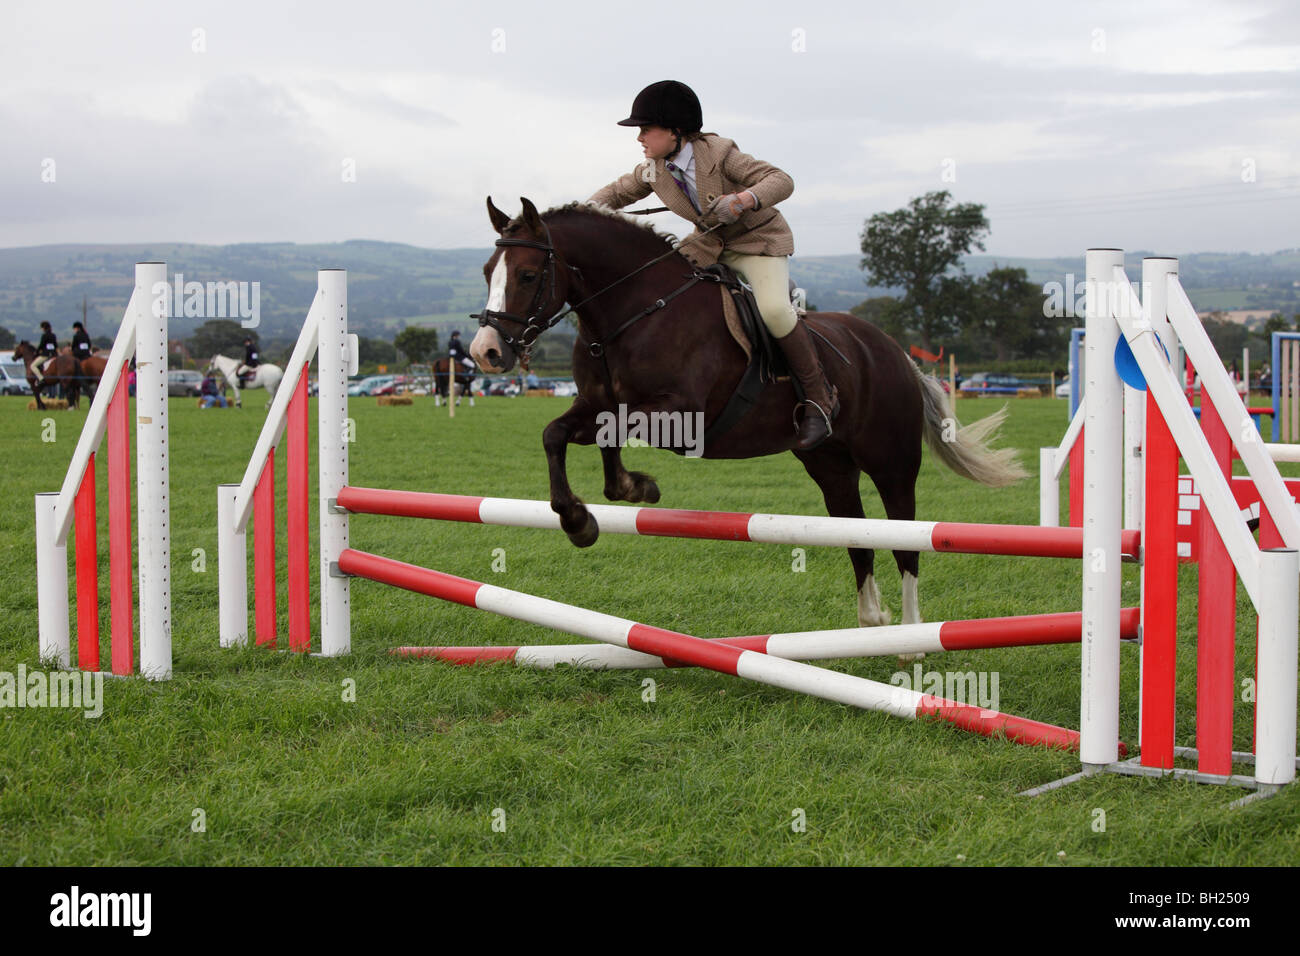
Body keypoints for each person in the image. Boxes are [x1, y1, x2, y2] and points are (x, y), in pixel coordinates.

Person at [587, 80, 837, 449]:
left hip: (756, 245)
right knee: (659, 288)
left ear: (674, 131)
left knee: (774, 311)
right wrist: (578, 214)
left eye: (646, 129)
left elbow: (781, 180)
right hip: (708, 245)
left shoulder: (721, 153)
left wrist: (744, 199)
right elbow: (618, 192)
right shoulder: (656, 168)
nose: (639, 137)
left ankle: (819, 401)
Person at [447, 330, 476, 406]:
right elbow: (460, 350)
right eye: (458, 335)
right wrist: (466, 355)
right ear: (456, 335)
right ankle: (467, 374)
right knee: (472, 365)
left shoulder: (450, 342)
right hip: (459, 357)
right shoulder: (457, 342)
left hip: (451, 358)